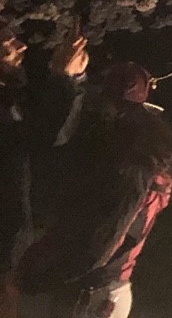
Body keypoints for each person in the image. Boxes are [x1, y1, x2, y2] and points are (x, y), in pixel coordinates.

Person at [15, 64, 172, 318]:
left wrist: (32, 279)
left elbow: (103, 240)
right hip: (107, 288)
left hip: (93, 294)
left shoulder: (131, 165)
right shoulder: (157, 157)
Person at [1, 32, 88, 318]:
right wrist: (64, 79)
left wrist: (67, 80)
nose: (21, 45)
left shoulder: (11, 97)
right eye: (6, 40)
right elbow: (44, 135)